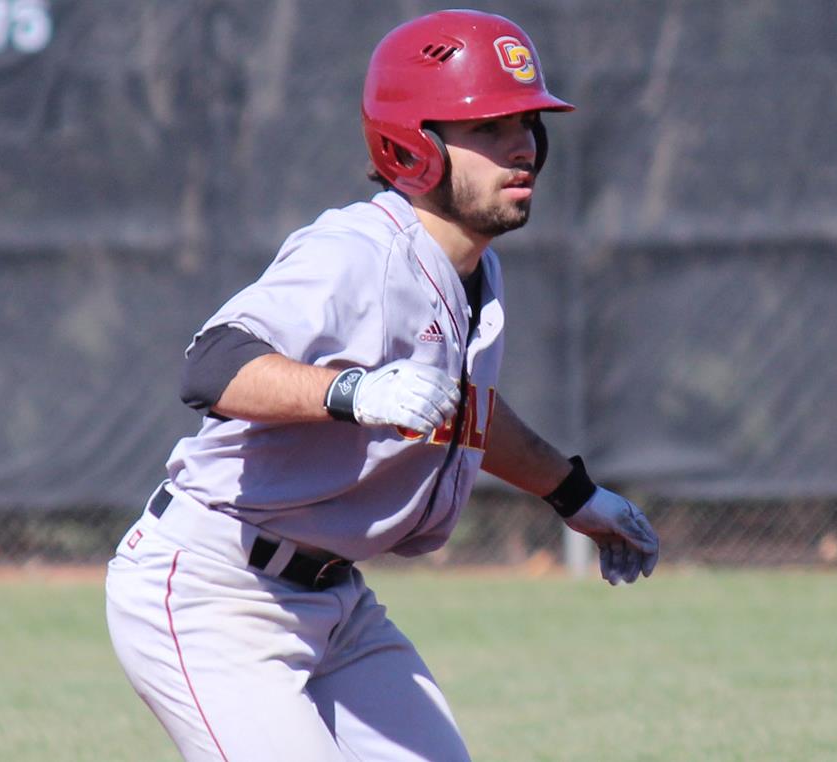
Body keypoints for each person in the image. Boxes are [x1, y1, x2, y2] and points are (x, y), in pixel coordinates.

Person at [105, 9, 660, 761]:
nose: (523, 146)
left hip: (335, 602)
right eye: (489, 127)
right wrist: (351, 393)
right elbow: (211, 364)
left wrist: (576, 496)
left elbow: (462, 414)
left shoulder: (474, 271)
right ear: (413, 144)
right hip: (216, 593)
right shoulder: (358, 252)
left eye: (528, 122)